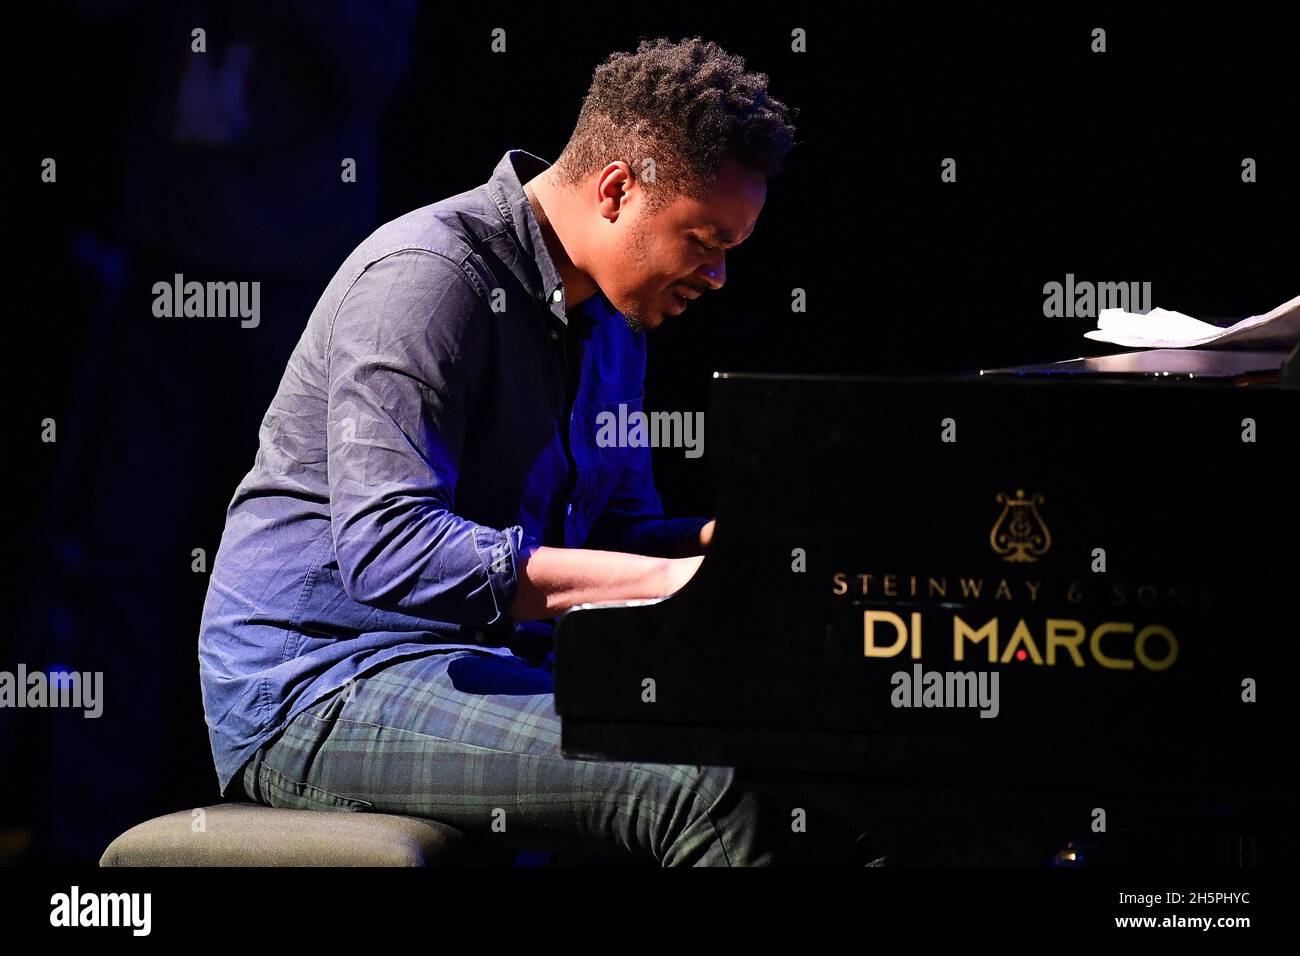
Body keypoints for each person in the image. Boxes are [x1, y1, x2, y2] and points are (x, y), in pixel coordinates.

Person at [199, 36, 879, 865]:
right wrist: (675, 583)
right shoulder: (427, 276)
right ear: (618, 189)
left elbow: (613, 536)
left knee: (826, 758)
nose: (718, 278)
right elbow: (388, 549)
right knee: (707, 785)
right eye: (706, 242)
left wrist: (749, 552)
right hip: (320, 684)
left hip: (487, 659)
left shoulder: (618, 319)